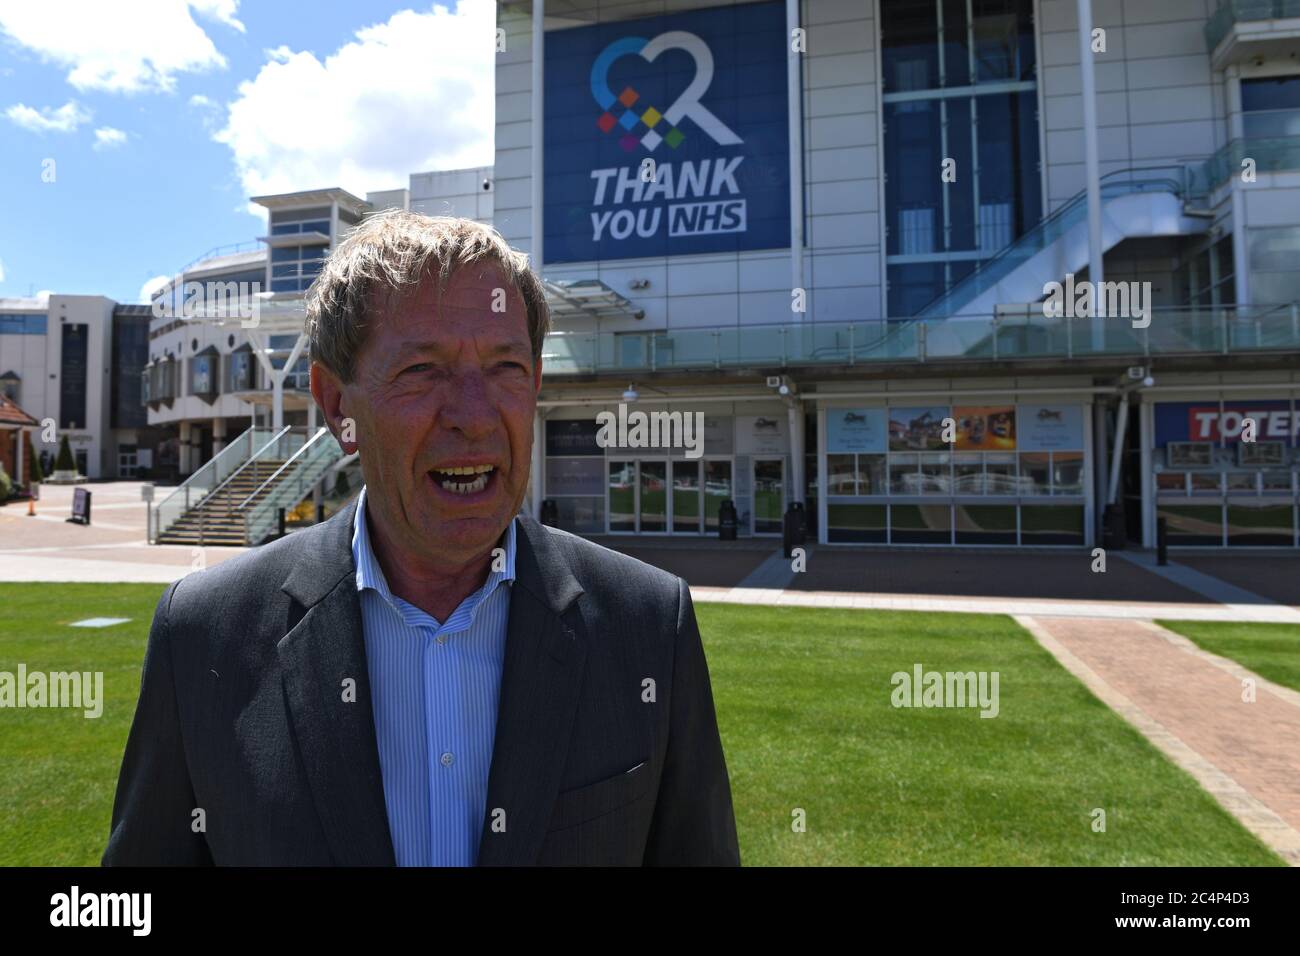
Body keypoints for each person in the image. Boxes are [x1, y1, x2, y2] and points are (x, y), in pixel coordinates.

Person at [103, 212, 740, 866]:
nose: (472, 414)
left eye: (505, 366)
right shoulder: (204, 635)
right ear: (336, 404)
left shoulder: (648, 625)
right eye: (423, 370)